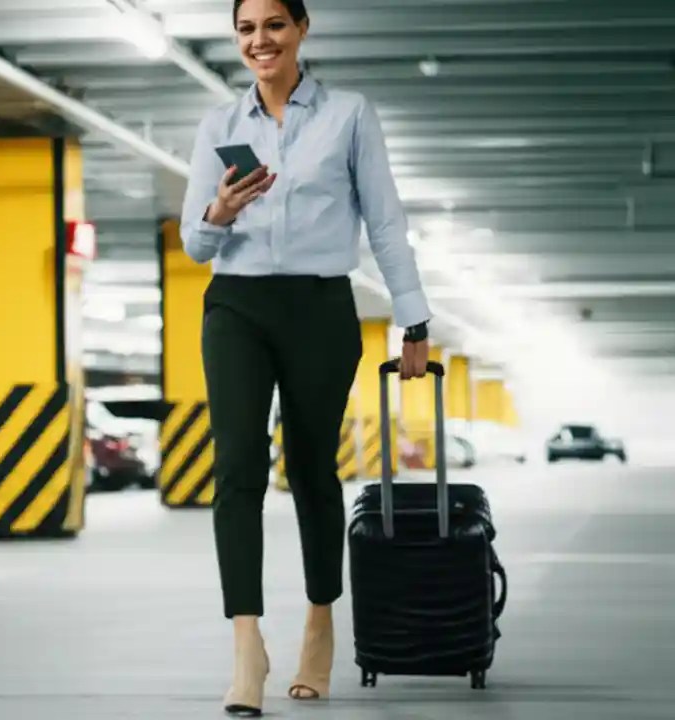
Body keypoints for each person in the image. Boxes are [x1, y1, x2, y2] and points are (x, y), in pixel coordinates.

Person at [179, 0, 434, 715]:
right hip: (237, 307)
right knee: (236, 469)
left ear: (301, 31)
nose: (260, 41)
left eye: (274, 26)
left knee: (314, 470)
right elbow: (196, 245)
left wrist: (413, 318)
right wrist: (219, 214)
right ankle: (246, 645)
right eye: (246, 30)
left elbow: (383, 219)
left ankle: (319, 626)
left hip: (321, 308)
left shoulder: (348, 115)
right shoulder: (219, 128)